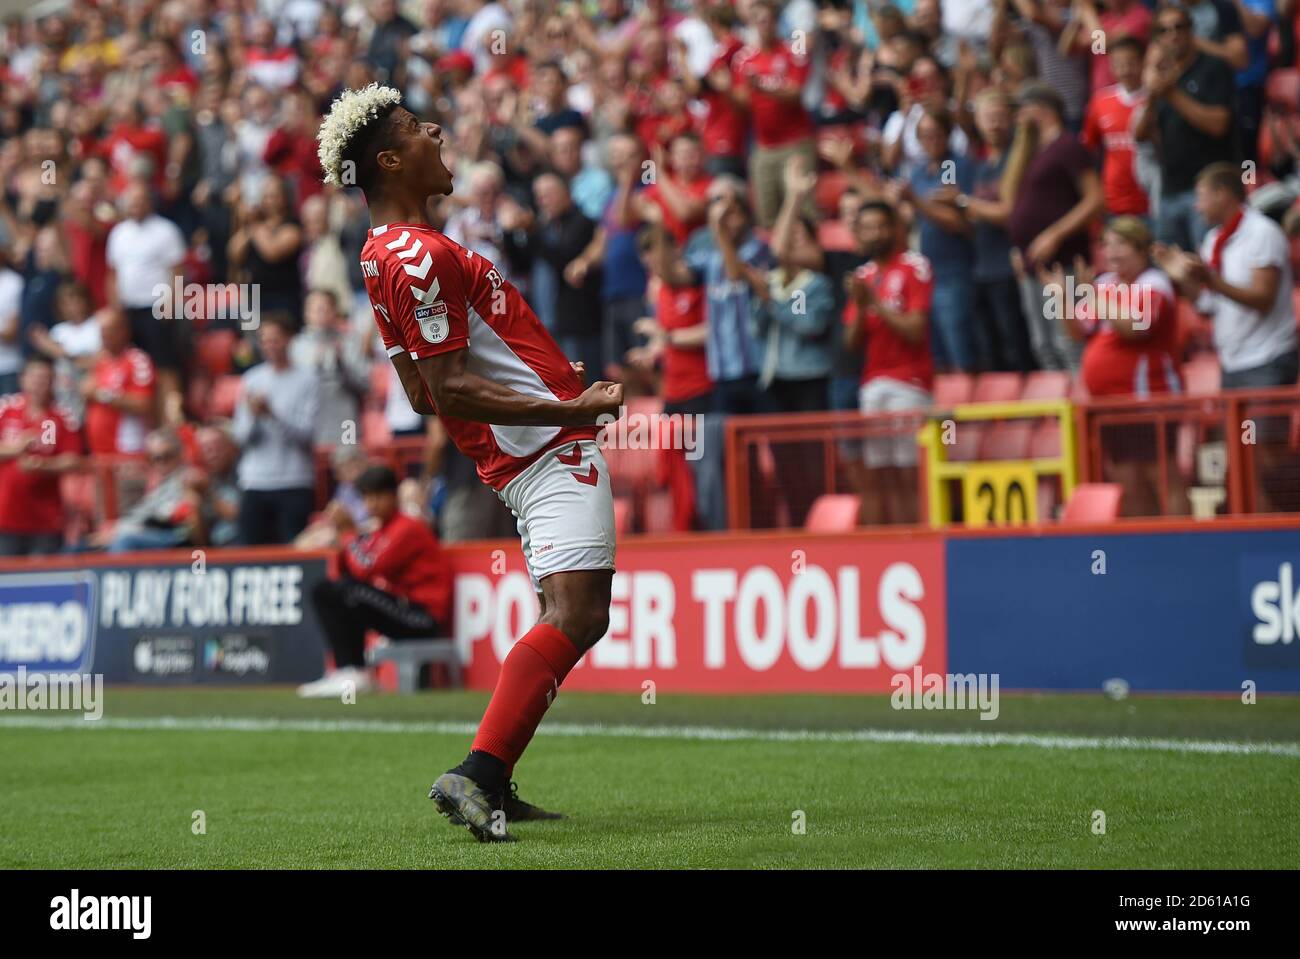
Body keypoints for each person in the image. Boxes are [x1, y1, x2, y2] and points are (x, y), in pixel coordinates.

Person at [318, 83, 621, 840]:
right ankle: (479, 772)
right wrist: (570, 409)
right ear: (388, 159)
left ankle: (496, 774)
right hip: (546, 447)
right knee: (579, 613)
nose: (435, 132)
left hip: (519, 454)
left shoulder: (380, 253)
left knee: (567, 612)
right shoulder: (416, 254)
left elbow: (421, 393)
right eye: (416, 129)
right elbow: (446, 385)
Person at [1045, 217, 1182, 515]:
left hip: (1149, 399)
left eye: (1121, 244)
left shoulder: (1154, 284)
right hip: (1109, 405)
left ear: (1141, 249)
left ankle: (1181, 543)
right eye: (1107, 244)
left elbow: (1135, 327)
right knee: (1127, 478)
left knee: (1160, 474)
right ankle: (1142, 545)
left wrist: (1092, 295)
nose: (1112, 252)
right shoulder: (1103, 284)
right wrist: (1062, 299)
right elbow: (1079, 330)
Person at [298, 465, 454, 698]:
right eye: (366, 497)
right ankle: (348, 670)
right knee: (325, 589)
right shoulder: (381, 530)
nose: (371, 504)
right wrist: (345, 537)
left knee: (350, 592)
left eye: (378, 496)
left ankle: (355, 672)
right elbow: (348, 570)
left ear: (393, 495)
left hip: (422, 618)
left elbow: (365, 568)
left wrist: (348, 532)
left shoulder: (407, 528)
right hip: (403, 610)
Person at [1156, 162, 1298, 387]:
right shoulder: (1213, 240)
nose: (1197, 206)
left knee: (1258, 425)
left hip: (1267, 358)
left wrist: (1210, 280)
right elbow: (1207, 306)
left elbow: (1263, 300)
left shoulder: (1262, 232)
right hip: (1231, 361)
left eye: (1201, 197)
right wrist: (1182, 277)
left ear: (1222, 194)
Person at [845, 200, 934, 527]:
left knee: (911, 472)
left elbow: (916, 329)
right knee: (882, 475)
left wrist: (876, 305)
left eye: (881, 226)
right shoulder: (863, 276)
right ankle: (894, 540)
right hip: (872, 384)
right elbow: (852, 344)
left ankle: (920, 536)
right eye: (867, 228)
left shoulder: (914, 267)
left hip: (909, 384)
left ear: (895, 229)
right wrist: (859, 305)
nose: (875, 233)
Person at [1006, 81, 1105, 371]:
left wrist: (1054, 234)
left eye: (1022, 110)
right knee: (1043, 345)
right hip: (1034, 265)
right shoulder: (1032, 150)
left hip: (1065, 265)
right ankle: (1058, 411)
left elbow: (1096, 199)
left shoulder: (1067, 145)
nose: (1017, 119)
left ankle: (1081, 407)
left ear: (1041, 109)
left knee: (1068, 340)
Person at [1135, 2, 1236, 251]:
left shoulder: (1214, 67)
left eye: (1179, 27)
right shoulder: (1162, 76)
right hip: (1169, 190)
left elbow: (1218, 125)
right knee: (1173, 273)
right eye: (1164, 30)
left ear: (1192, 30)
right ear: (1156, 38)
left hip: (1206, 193)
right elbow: (1141, 135)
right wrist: (1152, 96)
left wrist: (1170, 94)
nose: (1173, 35)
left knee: (1206, 269)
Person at [231, 315, 320, 545]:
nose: (269, 346)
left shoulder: (307, 380)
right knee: (250, 553)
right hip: (254, 481)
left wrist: (272, 415)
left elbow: (307, 435)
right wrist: (253, 415)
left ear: (289, 340)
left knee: (294, 552)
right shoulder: (251, 379)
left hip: (294, 480)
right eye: (265, 340)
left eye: (275, 339)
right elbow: (240, 436)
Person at [0, 356, 82, 556]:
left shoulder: (62, 416)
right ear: (23, 379)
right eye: (36, 378)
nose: (40, 385)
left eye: (46, 379)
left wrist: (43, 465)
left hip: (46, 520)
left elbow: (73, 460)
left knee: (42, 577)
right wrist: (16, 449)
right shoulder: (6, 409)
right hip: (6, 517)